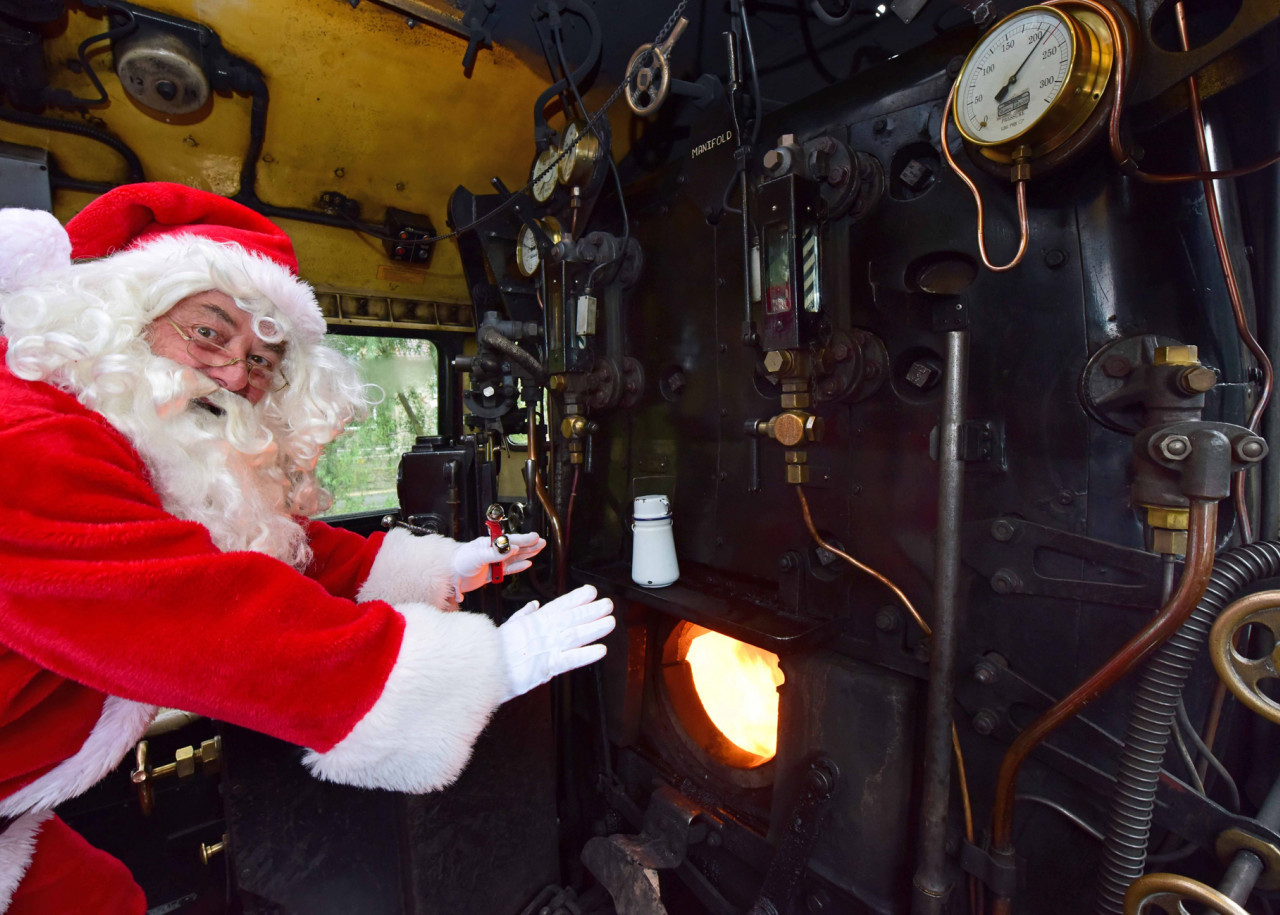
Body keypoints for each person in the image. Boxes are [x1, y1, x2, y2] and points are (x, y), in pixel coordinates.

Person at [0, 182, 615, 912]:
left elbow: (256, 547)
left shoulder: (120, 433)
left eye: (262, 362)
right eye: (209, 332)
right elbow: (202, 614)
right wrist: (482, 668)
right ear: (121, 316)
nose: (235, 374)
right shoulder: (27, 440)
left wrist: (437, 566)